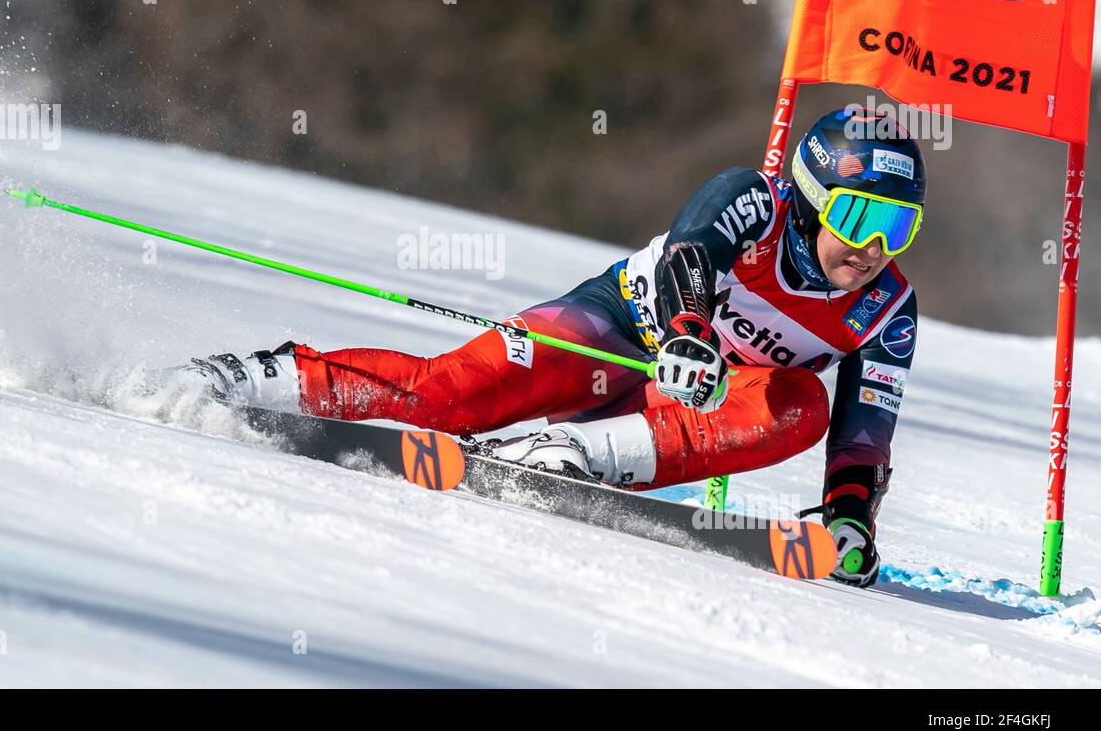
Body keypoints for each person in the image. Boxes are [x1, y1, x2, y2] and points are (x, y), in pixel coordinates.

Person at [197, 107, 923, 587]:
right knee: (449, 399)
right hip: (618, 329)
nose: (872, 250)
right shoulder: (754, 200)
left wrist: (851, 518)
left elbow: (866, 429)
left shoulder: (886, 307)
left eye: (898, 230)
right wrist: (690, 332)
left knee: (800, 405)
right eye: (858, 217)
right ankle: (255, 378)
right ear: (810, 196)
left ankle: (577, 458)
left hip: (681, 404)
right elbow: (691, 253)